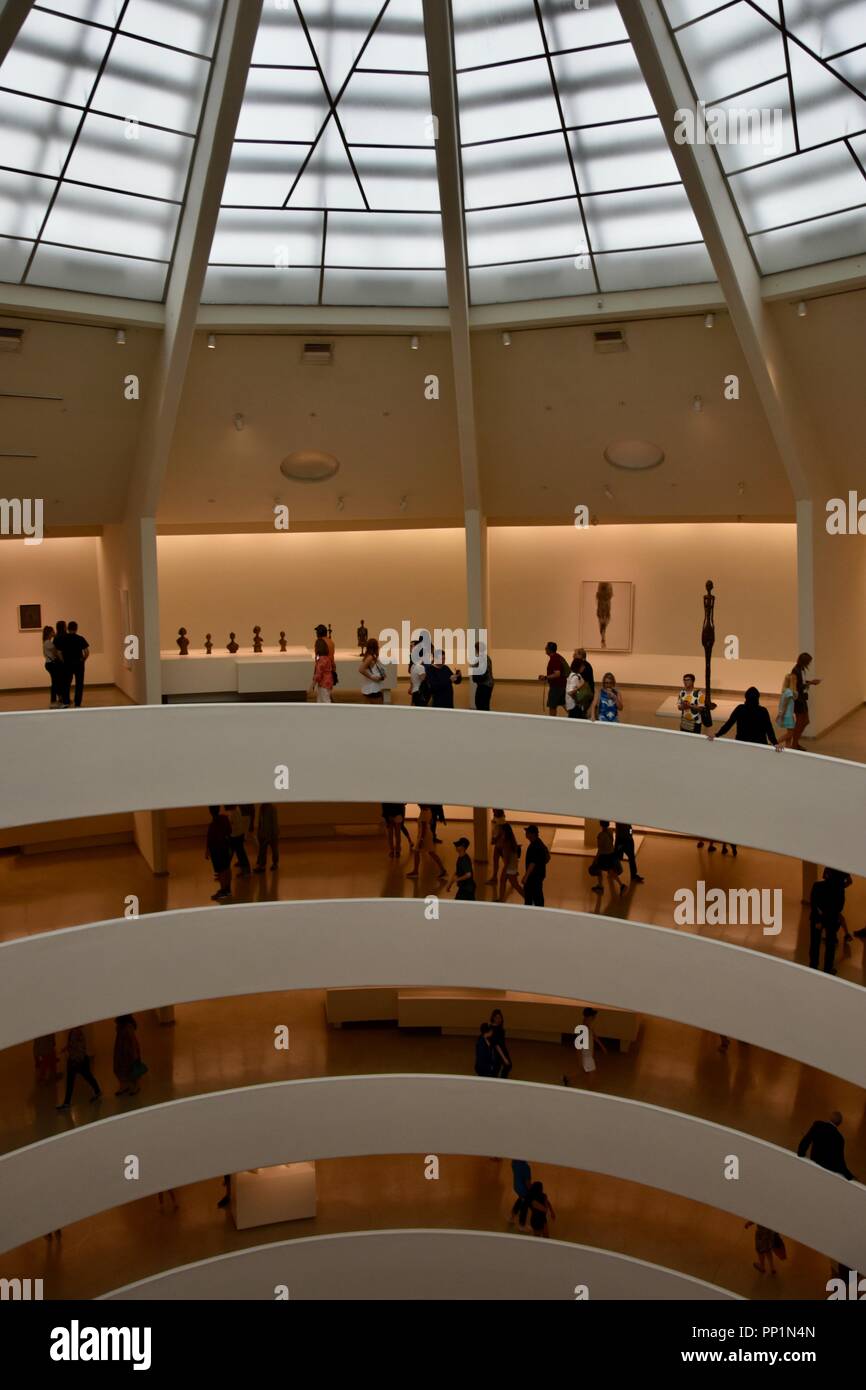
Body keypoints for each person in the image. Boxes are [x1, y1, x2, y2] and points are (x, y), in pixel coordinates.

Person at [706, 687, 779, 746]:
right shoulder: (763, 711)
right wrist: (775, 743)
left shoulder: (740, 709)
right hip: (759, 745)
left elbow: (728, 724)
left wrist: (717, 734)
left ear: (746, 697)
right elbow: (769, 730)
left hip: (741, 744)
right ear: (758, 698)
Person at [797, 1111, 855, 1179]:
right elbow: (840, 1159)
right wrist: (849, 1176)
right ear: (839, 1123)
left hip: (814, 1159)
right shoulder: (839, 1138)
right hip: (828, 1167)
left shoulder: (818, 1125)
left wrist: (801, 1154)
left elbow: (806, 1140)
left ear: (829, 1118)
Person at [56, 1026, 102, 1109]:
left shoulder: (76, 1032)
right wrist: (68, 1048)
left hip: (76, 1060)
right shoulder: (75, 1032)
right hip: (76, 1060)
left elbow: (80, 1046)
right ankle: (97, 1091)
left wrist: (77, 1059)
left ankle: (67, 1102)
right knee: (85, 1077)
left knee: (79, 1079)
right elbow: (75, 1044)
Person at [564, 1006, 607, 1084]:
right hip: (586, 1056)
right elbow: (578, 1046)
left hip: (588, 1055)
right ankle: (590, 1090)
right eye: (593, 1015)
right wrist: (580, 1060)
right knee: (592, 1074)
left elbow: (594, 1036)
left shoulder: (588, 1027)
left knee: (582, 1071)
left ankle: (566, 1078)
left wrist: (602, 1046)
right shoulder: (582, 1029)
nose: (595, 1017)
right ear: (589, 1017)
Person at [808, 875, 842, 974]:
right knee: (830, 944)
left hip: (817, 918)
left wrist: (820, 919)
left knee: (815, 943)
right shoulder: (839, 889)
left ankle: (813, 966)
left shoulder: (817, 885)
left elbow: (813, 903)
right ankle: (827, 968)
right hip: (831, 919)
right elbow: (839, 907)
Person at [406, 804, 447, 879]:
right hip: (427, 834)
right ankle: (442, 870)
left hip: (424, 836)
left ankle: (416, 871)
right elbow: (429, 822)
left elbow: (424, 828)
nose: (418, 805)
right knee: (430, 852)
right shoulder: (428, 811)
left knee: (418, 852)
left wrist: (421, 840)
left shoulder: (424, 812)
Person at [790, 652, 821, 748]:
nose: (809, 664)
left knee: (806, 721)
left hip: (802, 698)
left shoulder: (801, 669)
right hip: (798, 700)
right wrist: (810, 683)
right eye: (808, 662)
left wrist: (810, 682)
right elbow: (796, 686)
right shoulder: (795, 671)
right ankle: (794, 744)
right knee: (800, 722)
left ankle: (795, 742)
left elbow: (802, 682)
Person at [589, 820, 625, 895]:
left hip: (604, 857)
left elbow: (600, 849)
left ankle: (600, 886)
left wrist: (595, 859)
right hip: (611, 855)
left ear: (600, 825)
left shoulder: (600, 835)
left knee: (599, 869)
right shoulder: (610, 831)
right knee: (611, 871)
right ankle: (621, 885)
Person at [59, 620, 89, 708]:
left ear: (68, 628)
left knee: (66, 683)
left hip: (67, 663)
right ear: (76, 629)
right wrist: (83, 659)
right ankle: (77, 703)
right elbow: (86, 652)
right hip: (78, 663)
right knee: (79, 683)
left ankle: (66, 701)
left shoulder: (63, 639)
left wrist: (63, 660)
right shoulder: (80, 638)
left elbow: (59, 652)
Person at [206, 804, 233, 901]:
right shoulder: (224, 819)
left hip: (217, 850)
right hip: (225, 847)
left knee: (221, 870)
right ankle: (228, 889)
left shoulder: (213, 824)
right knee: (226, 868)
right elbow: (229, 831)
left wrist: (207, 850)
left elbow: (210, 839)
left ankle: (223, 891)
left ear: (210, 811)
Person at [113, 1014, 144, 1097]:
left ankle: (135, 1086)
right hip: (121, 1051)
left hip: (128, 1052)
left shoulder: (128, 1027)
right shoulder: (121, 1027)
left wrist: (134, 1055)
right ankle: (124, 1086)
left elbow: (132, 1042)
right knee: (120, 1069)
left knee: (131, 1069)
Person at [521, 825, 549, 906]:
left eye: (527, 832)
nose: (526, 833)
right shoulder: (540, 842)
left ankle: (532, 912)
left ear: (532, 834)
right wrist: (541, 864)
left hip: (533, 877)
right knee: (538, 895)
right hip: (539, 875)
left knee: (531, 897)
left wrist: (526, 877)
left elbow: (532, 863)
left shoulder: (534, 846)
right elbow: (548, 857)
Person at [539, 641, 569, 716]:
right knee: (564, 703)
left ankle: (552, 721)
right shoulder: (558, 656)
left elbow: (557, 674)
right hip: (562, 686)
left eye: (546, 647)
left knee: (552, 706)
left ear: (549, 649)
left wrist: (545, 677)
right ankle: (575, 717)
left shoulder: (554, 659)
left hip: (556, 687)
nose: (545, 649)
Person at [497, 821, 522, 902]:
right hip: (512, 866)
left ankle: (528, 899)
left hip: (510, 867)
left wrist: (504, 870)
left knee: (515, 885)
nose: (499, 831)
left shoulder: (507, 843)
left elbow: (507, 860)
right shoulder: (510, 840)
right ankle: (501, 899)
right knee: (503, 881)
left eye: (500, 829)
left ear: (503, 831)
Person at [225, 804, 251, 876]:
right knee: (239, 853)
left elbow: (231, 825)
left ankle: (224, 871)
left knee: (238, 853)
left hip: (235, 836)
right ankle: (224, 871)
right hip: (238, 835)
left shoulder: (233, 813)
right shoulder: (236, 811)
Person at [359, 638, 387, 702]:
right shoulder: (370, 657)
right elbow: (361, 669)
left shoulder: (371, 656)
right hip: (373, 688)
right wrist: (372, 677)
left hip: (371, 687)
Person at [254, 802, 280, 872]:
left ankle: (275, 863)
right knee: (262, 850)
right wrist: (259, 832)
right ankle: (262, 865)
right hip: (263, 833)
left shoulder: (272, 808)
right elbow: (260, 822)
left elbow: (274, 822)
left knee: (274, 849)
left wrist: (274, 834)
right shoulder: (261, 808)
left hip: (272, 834)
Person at [42, 625, 63, 708]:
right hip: (51, 664)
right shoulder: (48, 643)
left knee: (56, 682)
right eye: (53, 632)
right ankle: (53, 701)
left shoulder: (47, 642)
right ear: (49, 633)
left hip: (50, 664)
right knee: (55, 683)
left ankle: (59, 698)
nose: (54, 633)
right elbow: (56, 652)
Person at [486, 808, 508, 885]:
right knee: (498, 860)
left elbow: (501, 833)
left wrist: (494, 839)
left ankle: (495, 878)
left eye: (494, 809)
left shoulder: (501, 820)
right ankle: (494, 877)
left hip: (501, 844)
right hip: (499, 843)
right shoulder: (497, 817)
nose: (492, 810)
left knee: (499, 860)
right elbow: (495, 829)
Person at [490, 1008, 512, 1078]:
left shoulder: (498, 1027)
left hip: (502, 1048)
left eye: (500, 1017)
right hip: (498, 1051)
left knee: (500, 1067)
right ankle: (501, 1079)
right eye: (496, 1018)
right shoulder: (493, 1029)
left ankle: (501, 1079)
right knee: (505, 1065)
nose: (499, 1019)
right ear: (493, 1018)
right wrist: (504, 1058)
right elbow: (496, 1045)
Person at [311, 635, 335, 703]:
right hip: (329, 681)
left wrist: (312, 685)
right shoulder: (327, 658)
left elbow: (318, 673)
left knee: (325, 701)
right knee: (321, 700)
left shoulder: (321, 659)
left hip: (323, 683)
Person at [472, 642, 494, 711]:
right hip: (487, 684)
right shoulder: (486, 658)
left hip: (484, 685)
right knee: (483, 703)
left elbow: (482, 672)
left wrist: (474, 670)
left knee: (481, 704)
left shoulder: (482, 659)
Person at [776, 673, 797, 747]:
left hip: (788, 715)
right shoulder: (789, 692)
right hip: (787, 715)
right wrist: (781, 715)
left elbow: (795, 697)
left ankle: (788, 748)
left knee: (790, 734)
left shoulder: (786, 691)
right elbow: (785, 705)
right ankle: (775, 742)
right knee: (790, 733)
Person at [510, 1159, 532, 1226]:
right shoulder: (526, 1167)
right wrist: (531, 1190)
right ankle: (521, 1224)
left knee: (520, 1200)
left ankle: (512, 1217)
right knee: (524, 1206)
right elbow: (527, 1182)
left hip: (516, 1186)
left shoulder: (514, 1162)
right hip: (523, 1189)